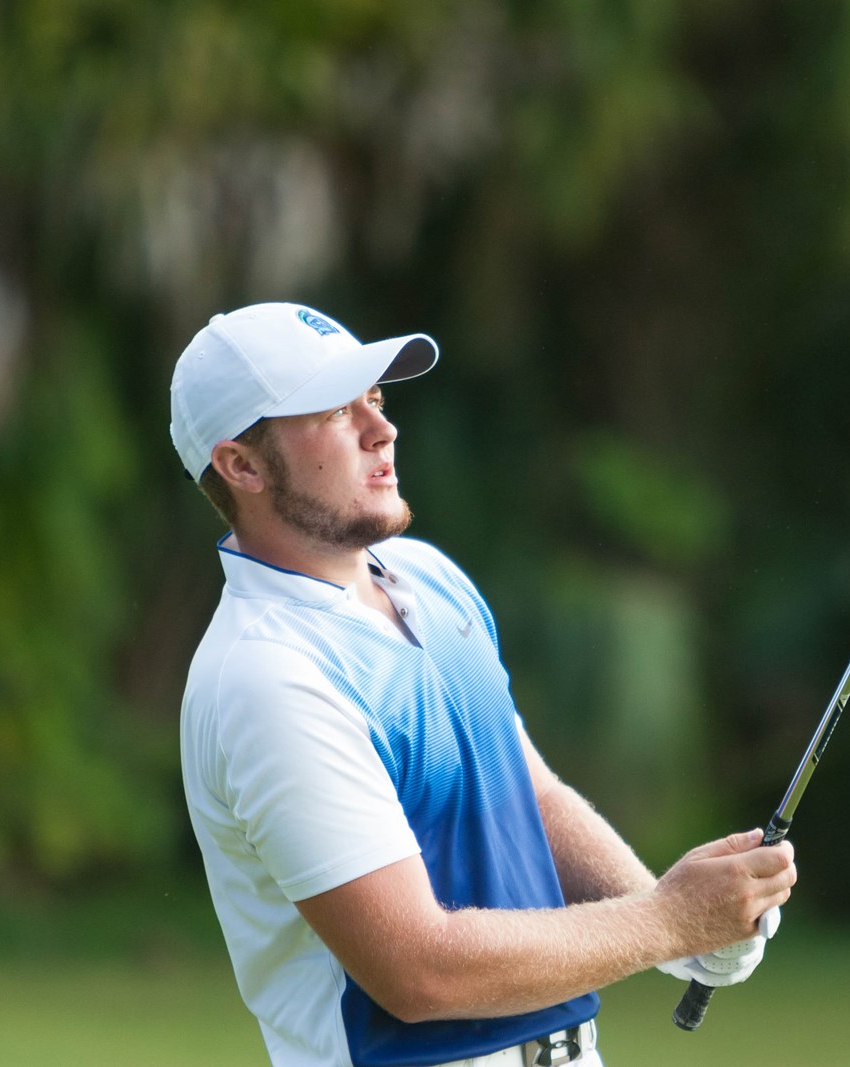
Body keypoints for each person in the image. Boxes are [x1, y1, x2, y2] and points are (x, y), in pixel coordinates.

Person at [170, 303, 796, 1067]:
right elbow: (419, 969)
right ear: (242, 465)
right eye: (337, 410)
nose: (381, 428)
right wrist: (666, 921)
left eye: (377, 399)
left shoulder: (429, 579)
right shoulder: (268, 675)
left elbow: (530, 796)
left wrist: (681, 933)